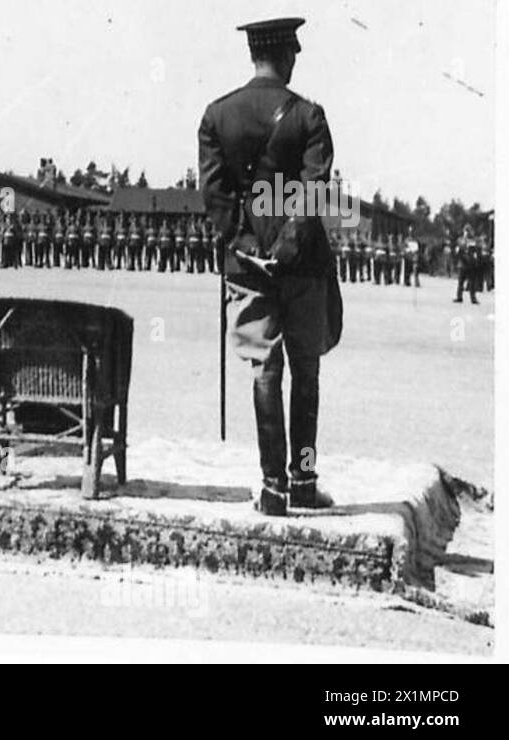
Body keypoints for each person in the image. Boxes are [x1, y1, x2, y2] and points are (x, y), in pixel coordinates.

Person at [198, 17, 341, 516]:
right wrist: (287, 244)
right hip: (302, 266)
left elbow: (215, 197)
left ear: (253, 55)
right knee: (306, 371)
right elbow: (314, 189)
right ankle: (302, 478)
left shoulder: (217, 116)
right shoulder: (309, 116)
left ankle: (272, 487)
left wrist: (246, 245)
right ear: (289, 55)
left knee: (265, 370)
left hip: (246, 266)